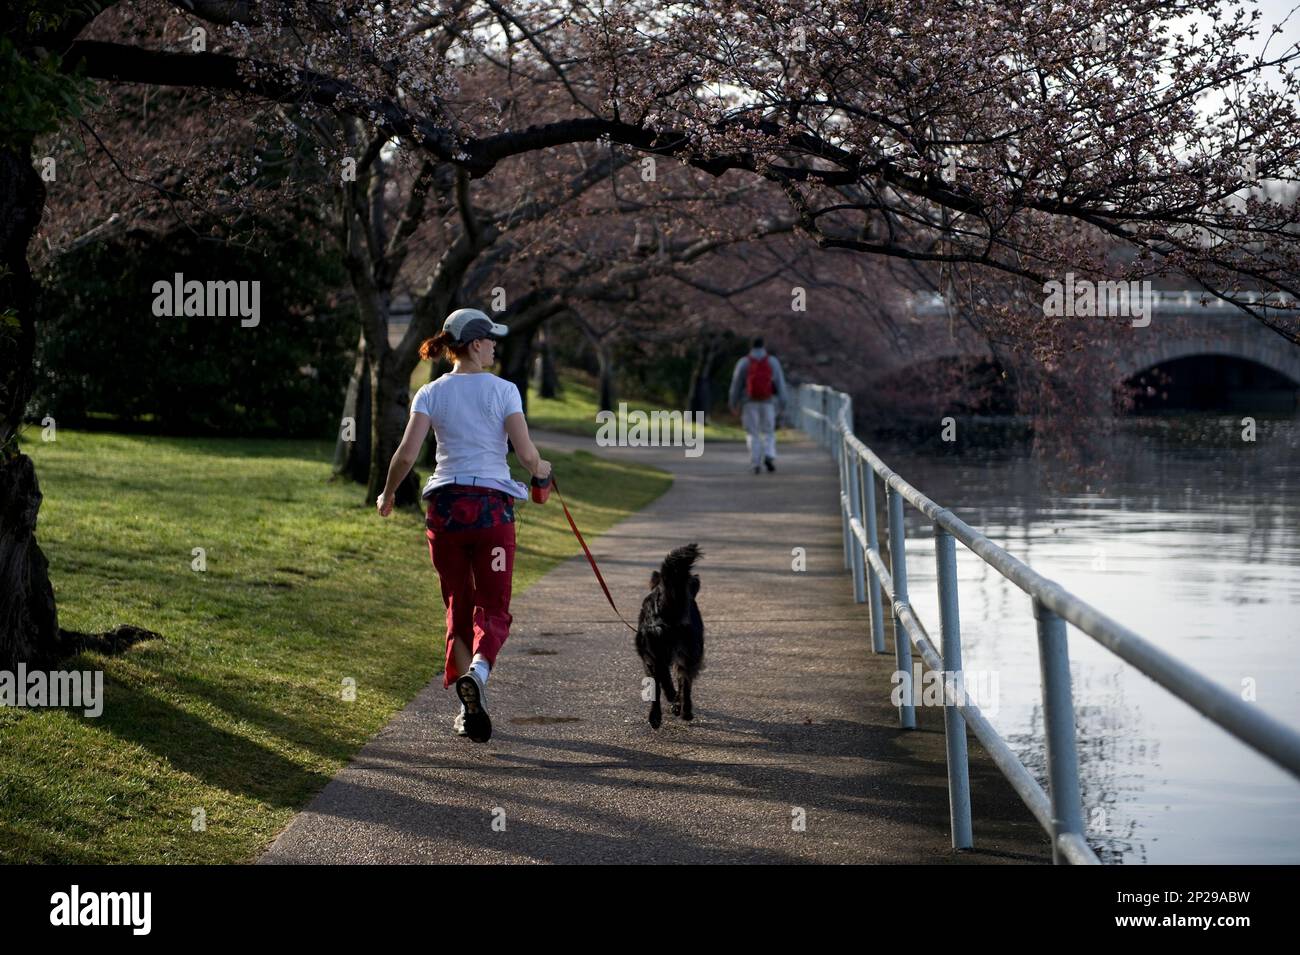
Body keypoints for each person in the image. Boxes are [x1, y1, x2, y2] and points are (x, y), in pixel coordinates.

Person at [377, 307, 552, 743]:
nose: (495, 345)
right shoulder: (504, 390)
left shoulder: (430, 393)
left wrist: (387, 493)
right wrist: (542, 470)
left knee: (458, 604)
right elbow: (527, 456)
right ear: (475, 344)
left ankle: (465, 707)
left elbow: (405, 455)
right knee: (493, 607)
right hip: (492, 512)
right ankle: (478, 671)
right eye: (491, 339)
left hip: (445, 510)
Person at [728, 335, 788, 474]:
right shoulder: (772, 362)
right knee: (768, 431)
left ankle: (755, 462)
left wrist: (733, 403)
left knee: (753, 433)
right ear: (763, 345)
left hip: (749, 403)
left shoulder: (744, 362)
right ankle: (769, 455)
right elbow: (780, 384)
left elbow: (736, 385)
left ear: (751, 346)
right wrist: (783, 404)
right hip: (768, 402)